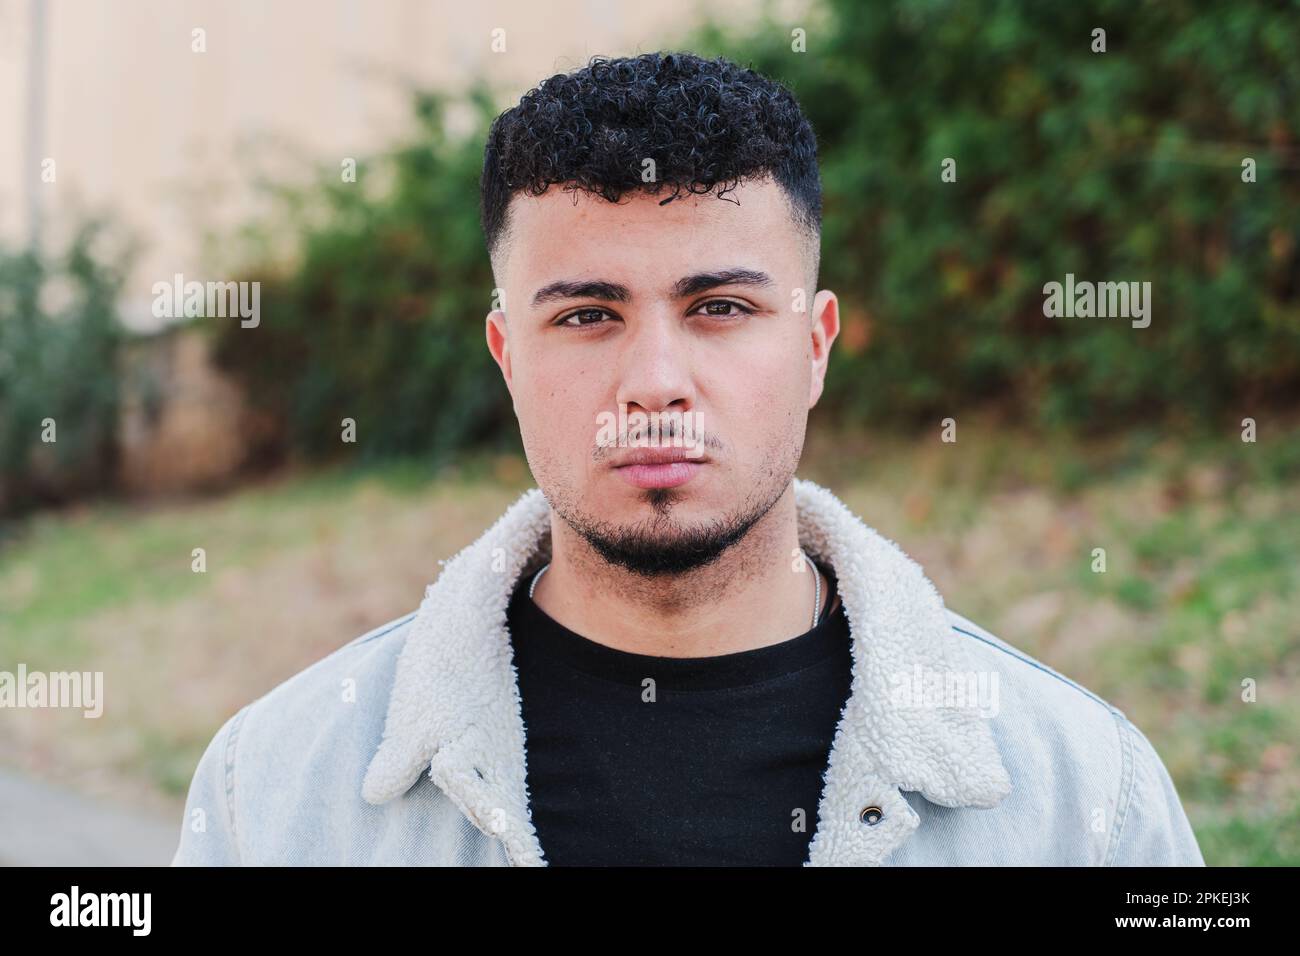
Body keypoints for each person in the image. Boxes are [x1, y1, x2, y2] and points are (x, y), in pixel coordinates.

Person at [171, 51, 1203, 866]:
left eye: (719, 308)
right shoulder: (273, 790)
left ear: (812, 344)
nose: (654, 380)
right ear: (507, 358)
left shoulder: (1082, 794)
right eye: (585, 313)